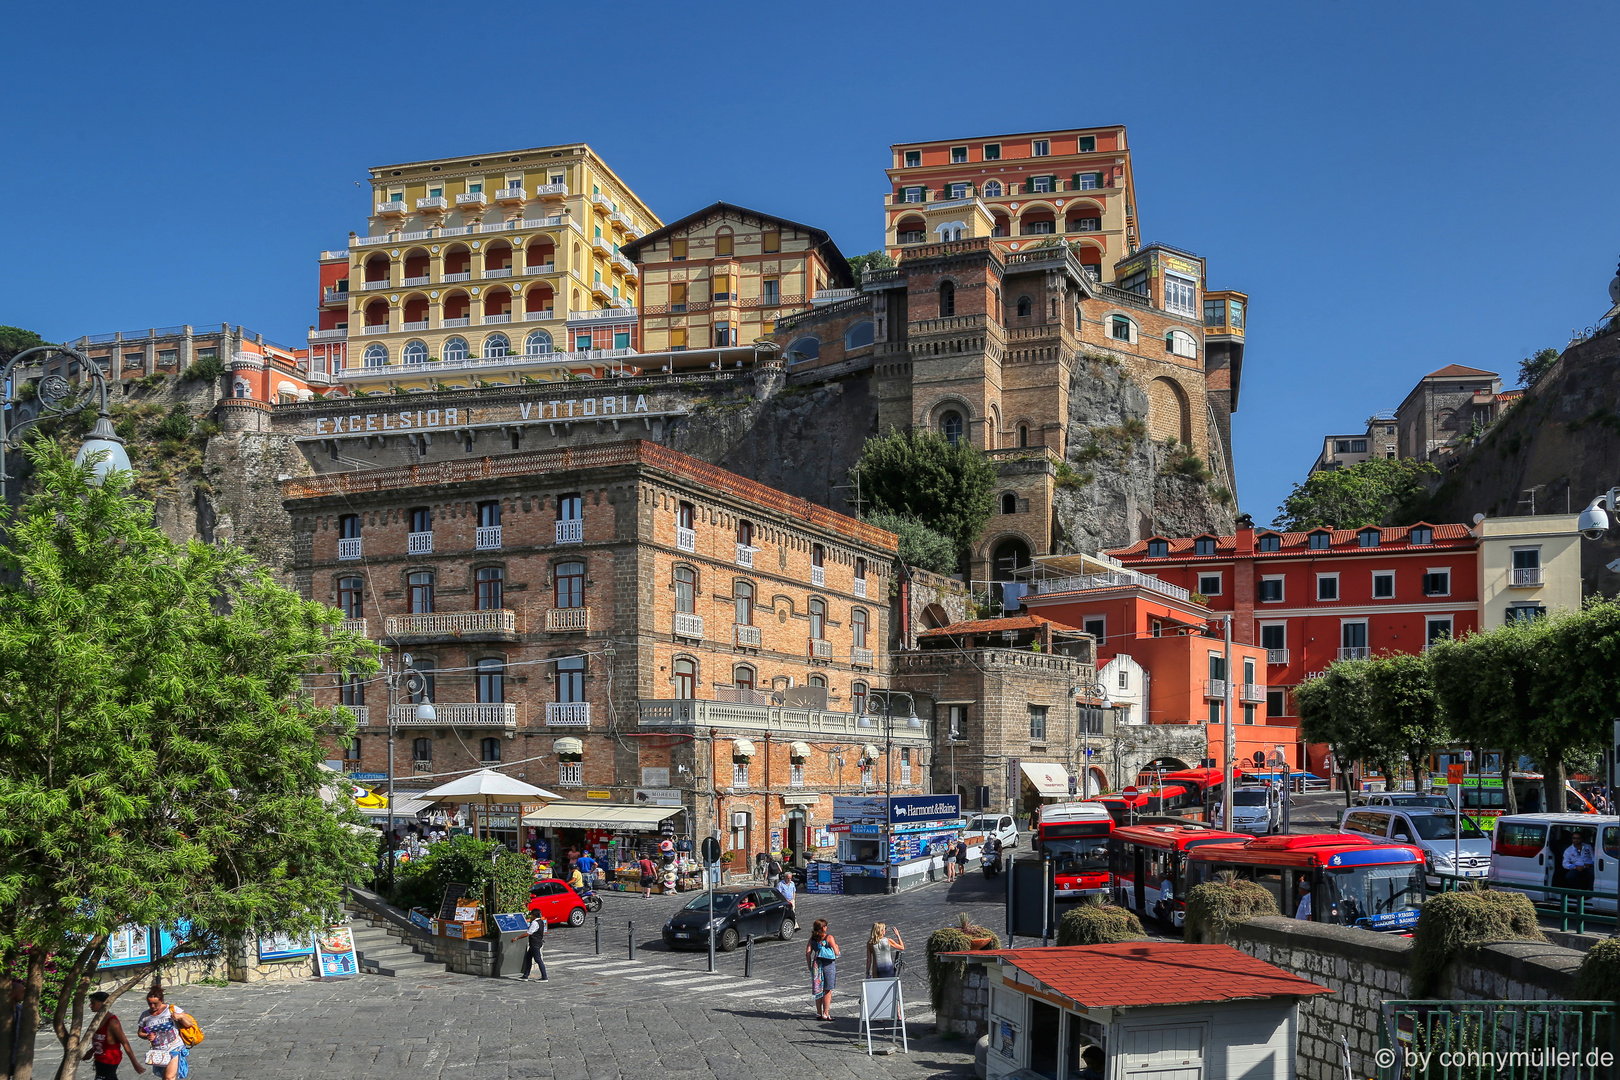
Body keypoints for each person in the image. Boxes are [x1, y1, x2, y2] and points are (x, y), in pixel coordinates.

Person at [135, 987, 195, 1080]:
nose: (152, 1006)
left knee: (169, 1077)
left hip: (174, 1047)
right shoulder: (145, 1015)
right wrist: (147, 1036)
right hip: (159, 1051)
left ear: (162, 1000)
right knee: (166, 1077)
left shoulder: (172, 1009)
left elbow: (190, 1023)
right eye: (150, 1003)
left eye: (155, 1003)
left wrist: (180, 1016)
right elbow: (140, 1033)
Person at [84, 992, 145, 1079]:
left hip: (109, 1060)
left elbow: (125, 1042)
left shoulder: (112, 1022)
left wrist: (135, 1063)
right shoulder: (97, 1019)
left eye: (93, 1003)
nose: (90, 1005)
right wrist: (91, 1051)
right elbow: (102, 1040)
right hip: (99, 1059)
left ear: (103, 1004)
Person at [806, 920, 840, 1020]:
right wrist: (837, 947)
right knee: (827, 989)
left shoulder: (812, 939)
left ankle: (818, 1012)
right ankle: (826, 1013)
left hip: (816, 965)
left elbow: (808, 953)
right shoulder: (829, 937)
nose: (827, 927)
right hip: (828, 964)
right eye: (825, 926)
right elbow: (836, 952)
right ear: (823, 928)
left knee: (818, 988)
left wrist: (809, 966)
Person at [520, 911, 548, 981]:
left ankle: (544, 977)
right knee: (528, 958)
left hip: (534, 944)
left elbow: (528, 933)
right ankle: (525, 975)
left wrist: (517, 938)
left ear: (533, 915)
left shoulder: (534, 923)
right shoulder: (541, 921)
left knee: (538, 960)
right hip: (537, 942)